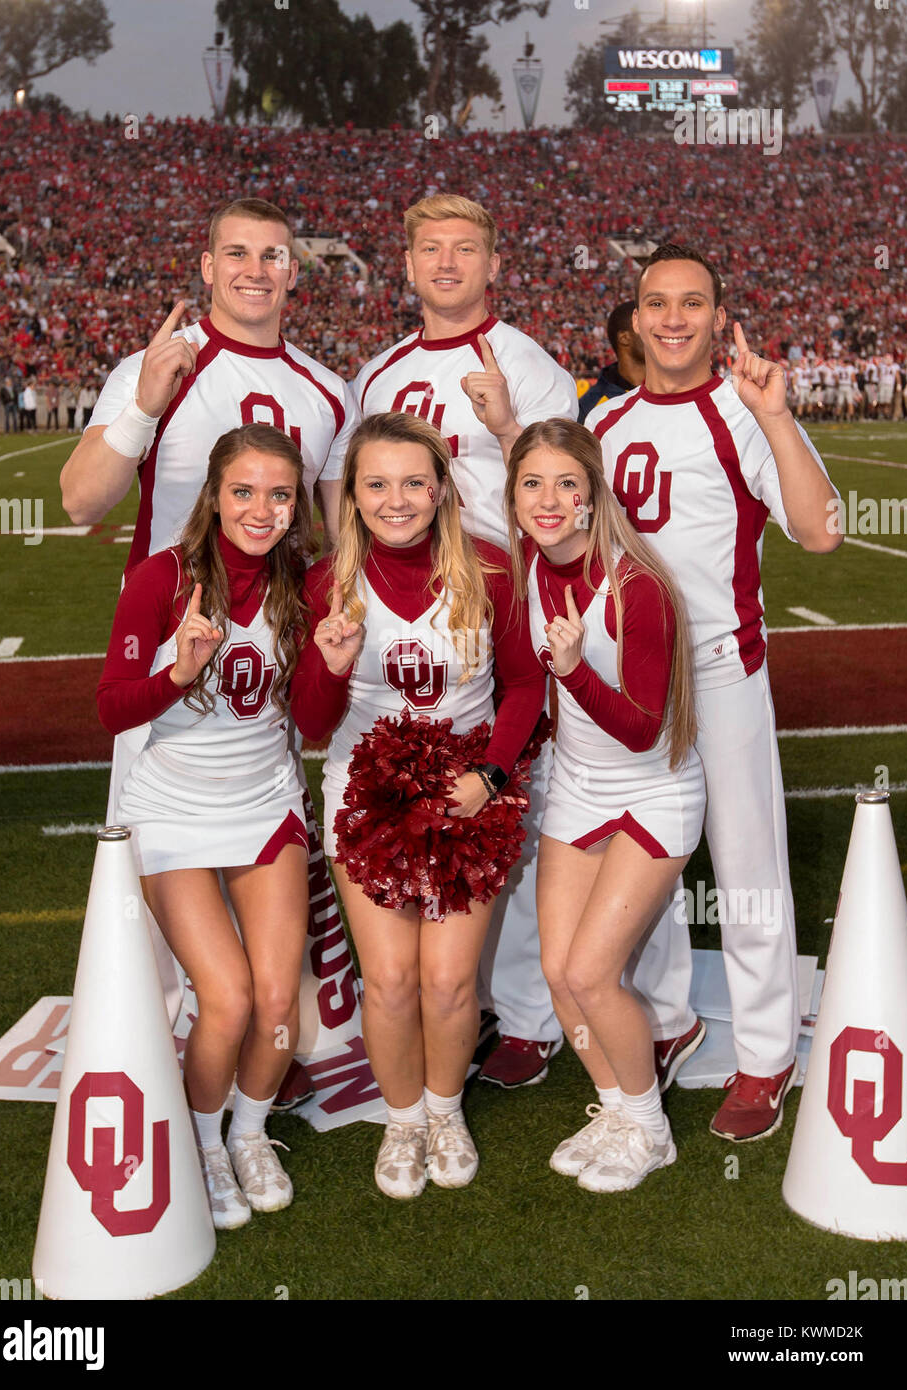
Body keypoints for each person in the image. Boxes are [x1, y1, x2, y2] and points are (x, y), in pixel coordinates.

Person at [61, 197, 358, 1110]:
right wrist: (145, 408)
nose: (256, 270)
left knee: (265, 909)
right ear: (206, 265)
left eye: (274, 255)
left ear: (295, 273)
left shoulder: (328, 389)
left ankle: (250, 1087)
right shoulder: (157, 367)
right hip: (167, 670)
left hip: (262, 669)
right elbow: (81, 501)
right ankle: (149, 1082)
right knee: (148, 895)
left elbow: (339, 534)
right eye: (238, 253)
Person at [584, 243, 842, 1141]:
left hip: (723, 672)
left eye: (692, 302)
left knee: (747, 865)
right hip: (634, 678)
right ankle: (665, 1019)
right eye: (657, 302)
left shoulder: (744, 410)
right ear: (636, 317)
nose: (673, 318)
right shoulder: (607, 426)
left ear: (717, 315)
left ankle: (767, 1054)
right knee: (641, 858)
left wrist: (777, 419)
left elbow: (820, 533)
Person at [350, 193, 578, 1090]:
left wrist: (506, 428)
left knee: (516, 800)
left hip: (510, 607)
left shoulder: (532, 365)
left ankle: (520, 1013)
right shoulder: (379, 372)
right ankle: (453, 999)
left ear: (494, 263)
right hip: (405, 614)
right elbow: (352, 501)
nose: (447, 263)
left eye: (465, 248)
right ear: (407, 265)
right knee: (413, 803)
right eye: (430, 249)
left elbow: (571, 492)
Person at [291, 411, 545, 1197]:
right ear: (352, 497)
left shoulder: (492, 570)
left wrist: (492, 775)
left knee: (449, 983)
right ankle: (402, 1120)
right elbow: (310, 722)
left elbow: (528, 685)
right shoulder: (327, 581)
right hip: (365, 796)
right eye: (376, 484)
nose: (395, 499)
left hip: (468, 793)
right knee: (393, 980)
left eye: (412, 482)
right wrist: (329, 668)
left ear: (440, 489)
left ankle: (445, 1110)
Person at [96, 422, 314, 1229]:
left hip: (263, 806)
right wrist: (178, 673)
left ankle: (250, 1131)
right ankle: (203, 1142)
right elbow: (113, 705)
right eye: (245, 491)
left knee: (277, 1002)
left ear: (297, 503)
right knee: (223, 1000)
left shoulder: (302, 580)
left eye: (280, 493)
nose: (262, 508)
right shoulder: (164, 577)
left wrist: (330, 659)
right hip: (174, 809)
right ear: (215, 497)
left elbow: (314, 715)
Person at [506, 417, 705, 1190]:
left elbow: (643, 729)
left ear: (593, 496)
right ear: (515, 496)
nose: (548, 500)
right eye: (532, 484)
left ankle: (650, 1129)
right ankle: (617, 1109)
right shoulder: (532, 562)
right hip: (579, 787)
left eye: (566, 484)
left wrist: (575, 669)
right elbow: (533, 691)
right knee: (558, 971)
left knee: (592, 974)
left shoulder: (635, 587)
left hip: (653, 788)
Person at [577, 301, 646, 424]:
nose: (659, 334)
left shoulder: (679, 388)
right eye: (645, 327)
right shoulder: (588, 410)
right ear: (624, 338)